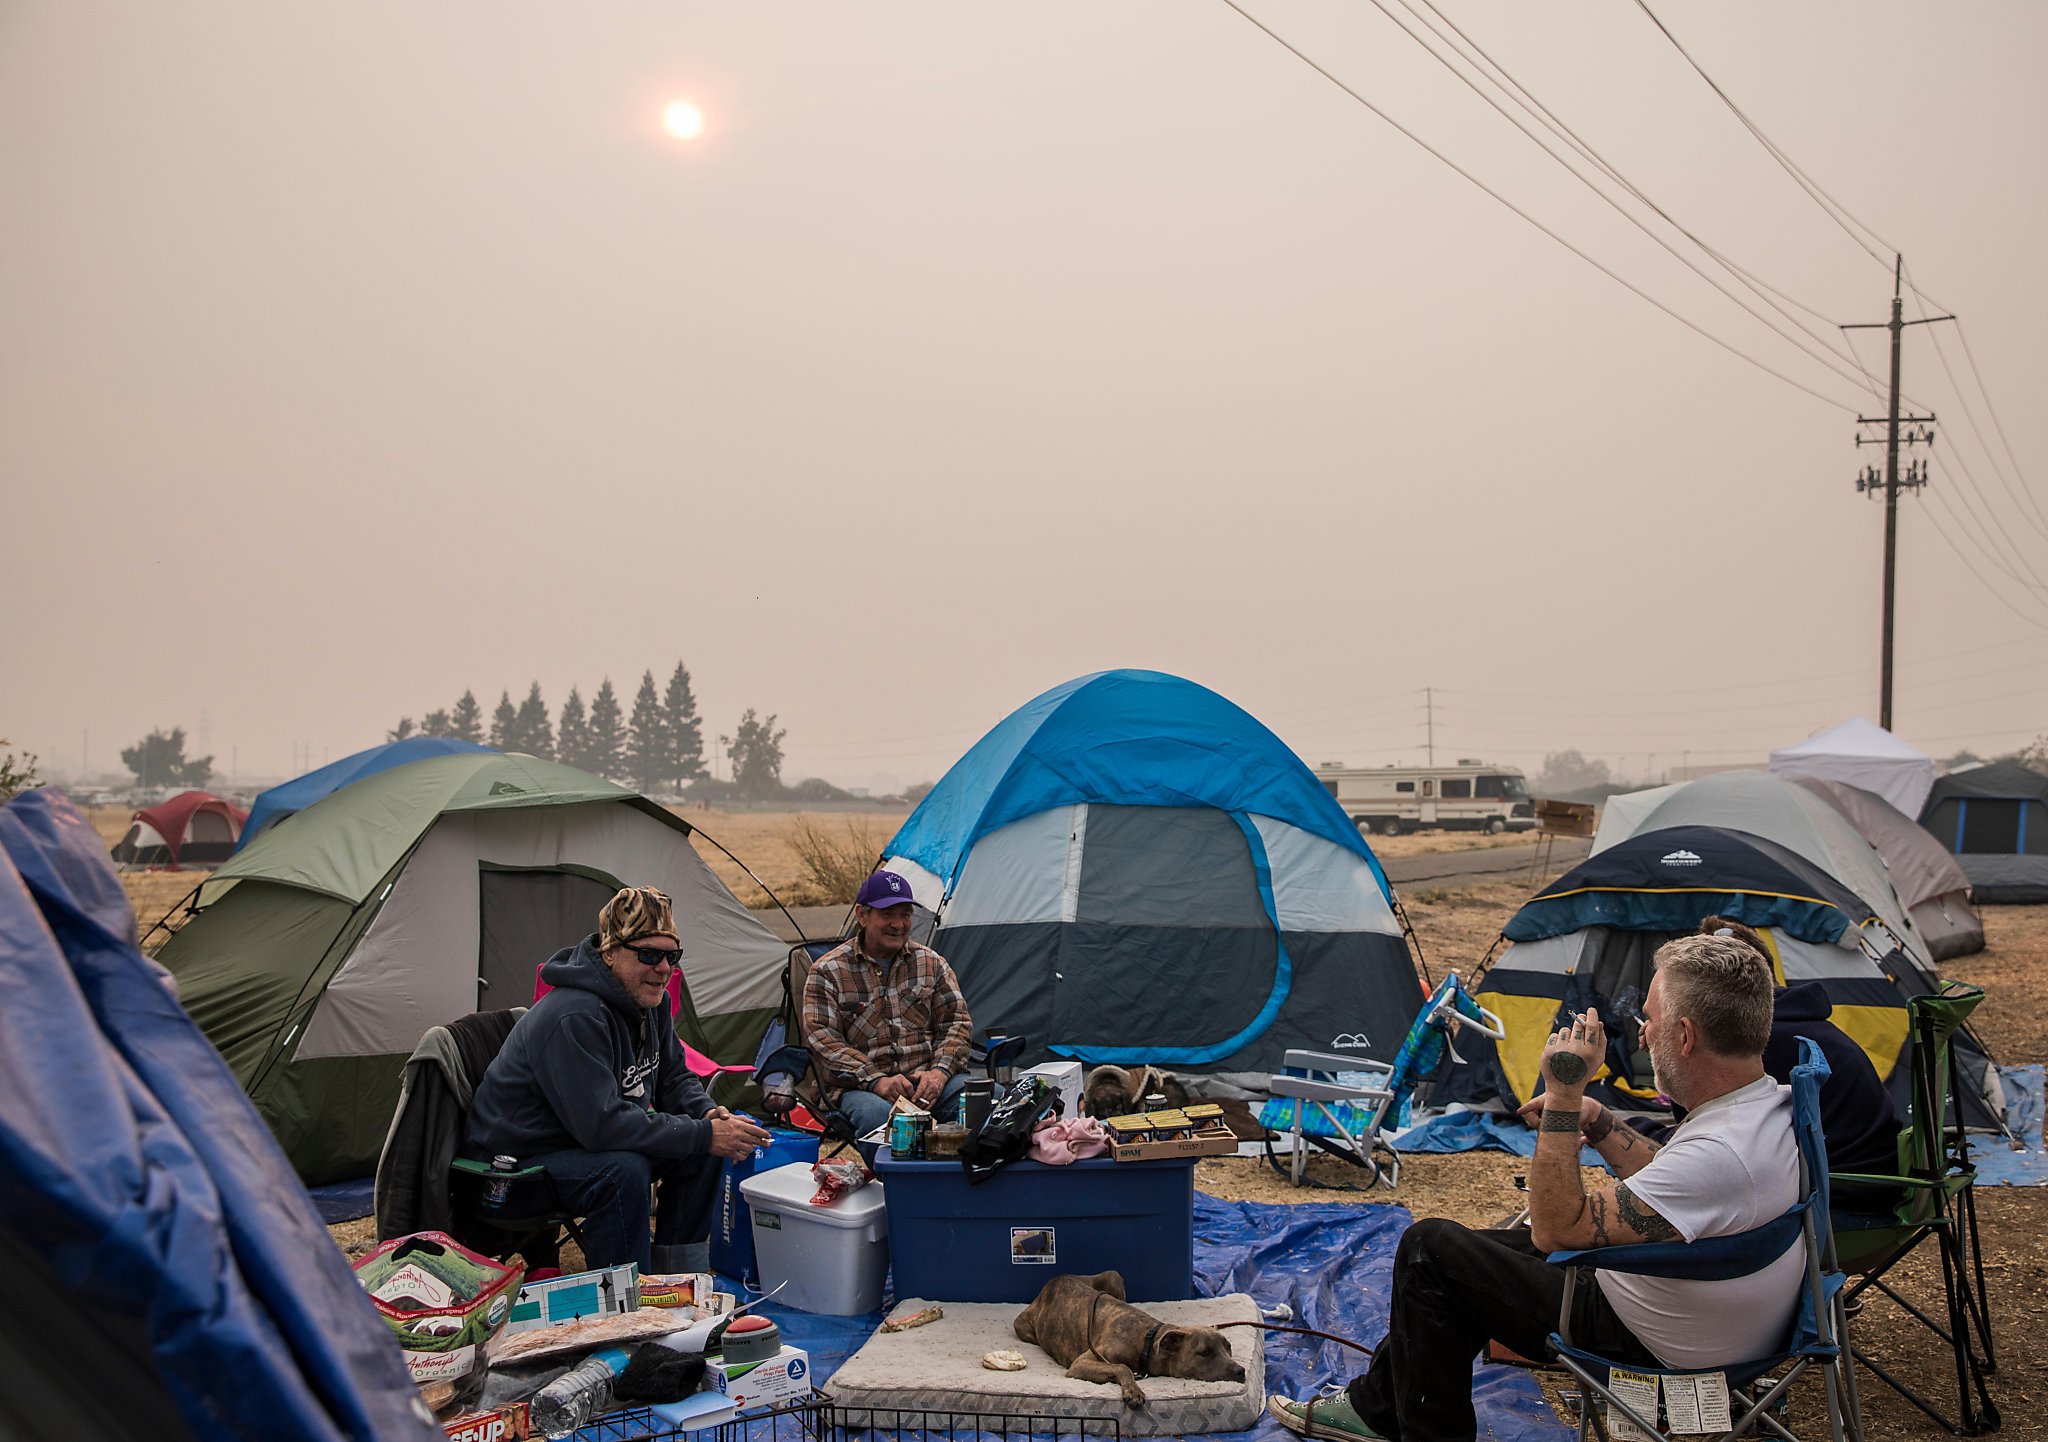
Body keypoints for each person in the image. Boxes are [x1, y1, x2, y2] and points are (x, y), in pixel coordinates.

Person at [1268, 932, 1803, 1442]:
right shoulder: (1765, 1106)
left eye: (1651, 1021)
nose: (1642, 1034)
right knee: (1470, 1254)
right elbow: (1673, 1179)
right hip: (1700, 1312)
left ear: (1685, 1036)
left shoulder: (1720, 1153)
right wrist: (1598, 1121)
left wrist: (1565, 1095)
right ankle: (1377, 1408)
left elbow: (1556, 1230)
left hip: (1654, 1341)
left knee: (1428, 1250)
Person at [462, 885, 771, 1273]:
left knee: (703, 1149)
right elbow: (601, 1126)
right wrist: (702, 1133)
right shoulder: (574, 1016)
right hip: (511, 1171)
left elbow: (674, 1078)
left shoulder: (651, 1002)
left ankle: (678, 1280)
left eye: (672, 956)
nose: (664, 968)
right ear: (609, 953)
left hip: (577, 1145)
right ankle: (626, 1298)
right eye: (649, 954)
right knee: (623, 1170)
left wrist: (708, 1116)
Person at [801, 869, 974, 1137]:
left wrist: (939, 1073)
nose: (898, 924)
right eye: (887, 914)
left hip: (927, 1085)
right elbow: (824, 1042)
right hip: (862, 1089)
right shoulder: (827, 971)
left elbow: (957, 1024)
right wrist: (876, 1080)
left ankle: (960, 1166)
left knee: (985, 1098)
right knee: (879, 1118)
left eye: (905, 914)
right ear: (862, 915)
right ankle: (898, 1168)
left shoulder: (931, 963)